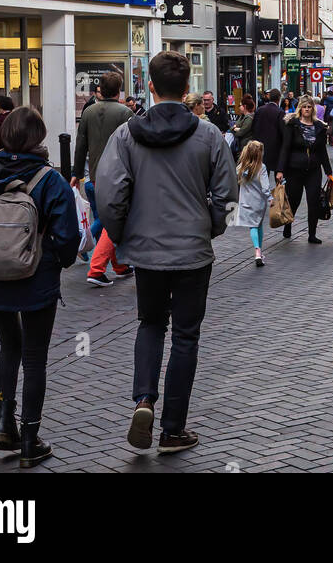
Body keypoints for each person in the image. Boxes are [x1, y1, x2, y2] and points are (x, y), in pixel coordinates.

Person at [94, 51, 237, 455]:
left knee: (151, 324)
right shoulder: (208, 135)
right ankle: (173, 430)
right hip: (192, 252)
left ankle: (143, 400)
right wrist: (210, 226)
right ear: (188, 88)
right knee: (186, 337)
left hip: (147, 254)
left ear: (150, 87)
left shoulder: (126, 135)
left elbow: (109, 193)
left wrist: (124, 234)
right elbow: (227, 195)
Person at [0, 106, 81, 468]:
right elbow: (69, 236)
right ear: (38, 138)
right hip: (37, 281)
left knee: (10, 347)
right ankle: (29, 439)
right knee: (35, 357)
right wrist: (57, 261)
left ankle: (3, 422)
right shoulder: (49, 180)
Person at [70, 70, 133, 286]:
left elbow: (81, 146)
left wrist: (76, 174)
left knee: (109, 216)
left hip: (96, 175)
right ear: (119, 89)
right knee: (114, 220)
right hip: (120, 175)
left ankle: (120, 266)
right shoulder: (125, 113)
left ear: (101, 89)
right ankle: (97, 268)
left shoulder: (88, 112)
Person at [276, 95, 333, 244]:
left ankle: (312, 234)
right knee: (293, 200)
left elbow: (322, 150)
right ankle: (288, 225)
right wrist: (280, 170)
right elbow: (285, 148)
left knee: (313, 201)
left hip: (313, 170)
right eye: (304, 107)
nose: (307, 109)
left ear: (313, 109)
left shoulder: (319, 126)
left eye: (309, 107)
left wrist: (328, 171)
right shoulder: (292, 124)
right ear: (300, 108)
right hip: (294, 169)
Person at [235, 140, 271, 268]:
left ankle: (257, 250)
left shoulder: (241, 167)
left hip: (245, 202)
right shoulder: (261, 167)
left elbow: (235, 179)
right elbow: (265, 187)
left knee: (253, 226)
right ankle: (259, 252)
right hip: (259, 203)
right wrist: (270, 198)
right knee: (259, 224)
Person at [253, 88, 284, 181]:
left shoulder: (259, 110)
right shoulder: (280, 112)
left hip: (261, 148)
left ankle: (262, 193)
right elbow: (282, 131)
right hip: (276, 149)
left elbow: (254, 128)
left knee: (262, 176)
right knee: (278, 178)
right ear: (279, 98)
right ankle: (278, 194)